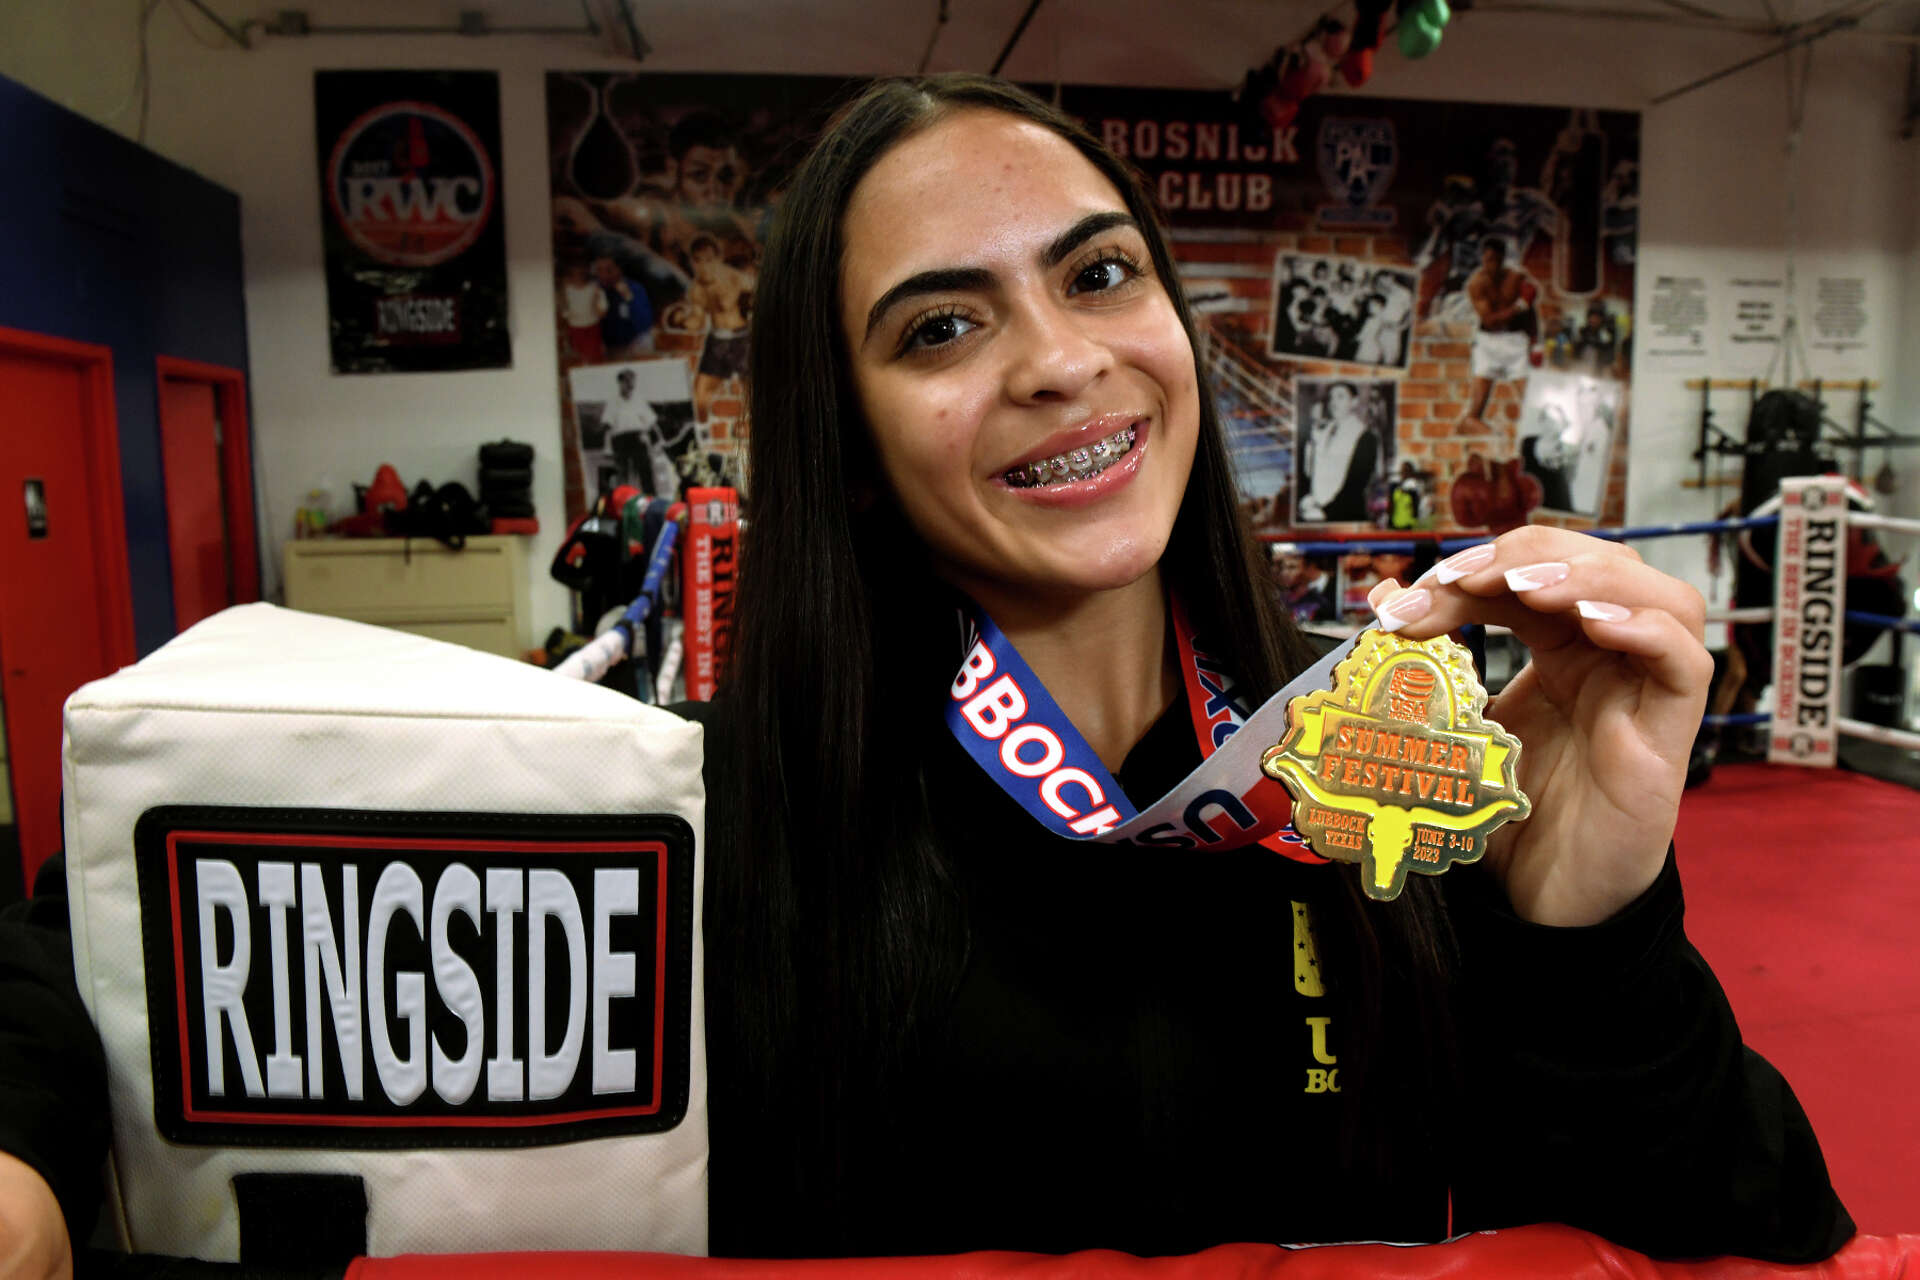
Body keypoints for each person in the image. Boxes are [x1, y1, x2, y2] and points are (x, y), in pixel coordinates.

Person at [0, 73, 1855, 1273]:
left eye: (1100, 275)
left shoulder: (1385, 756)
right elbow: (95, 925)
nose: (1058, 359)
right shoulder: (706, 822)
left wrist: (1588, 928)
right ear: (851, 436)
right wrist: (18, 1151)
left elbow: (1756, 1239)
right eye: (944, 325)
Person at [1457, 237, 1537, 434]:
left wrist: (1536, 343)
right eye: (1486, 260)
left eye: (1493, 259)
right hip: (1488, 344)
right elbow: (1490, 320)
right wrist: (1521, 305)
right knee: (1474, 413)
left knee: (1532, 405)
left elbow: (1530, 315)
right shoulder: (1477, 283)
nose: (1489, 264)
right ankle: (1488, 434)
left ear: (1502, 258)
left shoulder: (1516, 278)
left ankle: (1530, 435)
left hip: (1515, 342)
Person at [1298, 381, 1378, 522]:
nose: (1334, 402)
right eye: (1331, 397)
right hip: (1313, 512)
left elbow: (1356, 485)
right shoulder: (1322, 432)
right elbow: (1309, 471)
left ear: (1354, 402)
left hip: (1344, 516)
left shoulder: (1366, 437)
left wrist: (1325, 512)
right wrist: (1306, 499)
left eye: (1340, 397)